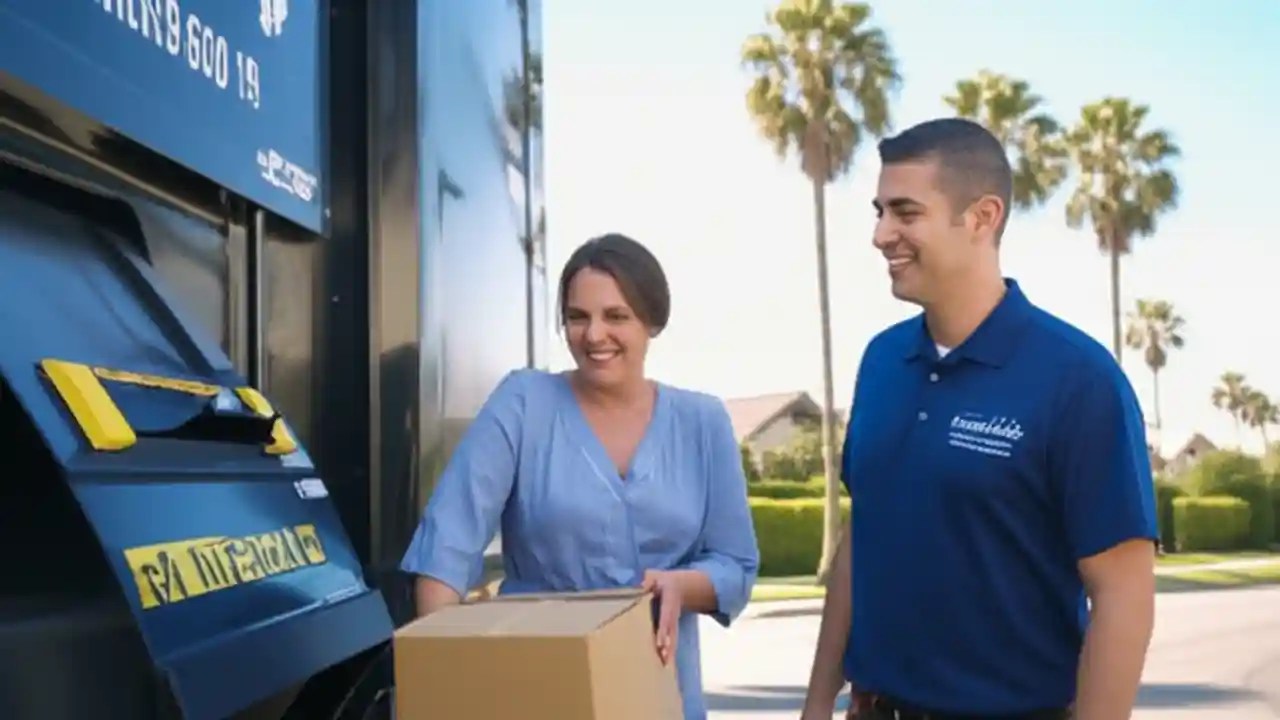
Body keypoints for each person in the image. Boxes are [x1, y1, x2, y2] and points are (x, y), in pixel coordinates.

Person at [801, 118, 1158, 720]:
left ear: (983, 217)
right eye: (879, 211)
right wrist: (816, 706)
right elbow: (862, 541)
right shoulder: (882, 361)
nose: (881, 234)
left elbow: (1123, 593)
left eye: (906, 213)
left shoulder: (1077, 379)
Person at [400, 232, 760, 720]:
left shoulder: (702, 421)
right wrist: (443, 680)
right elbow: (448, 542)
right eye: (577, 317)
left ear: (652, 321)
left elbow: (735, 564)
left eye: (616, 316)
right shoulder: (523, 402)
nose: (593, 335)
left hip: (657, 687)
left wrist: (680, 585)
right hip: (532, 687)